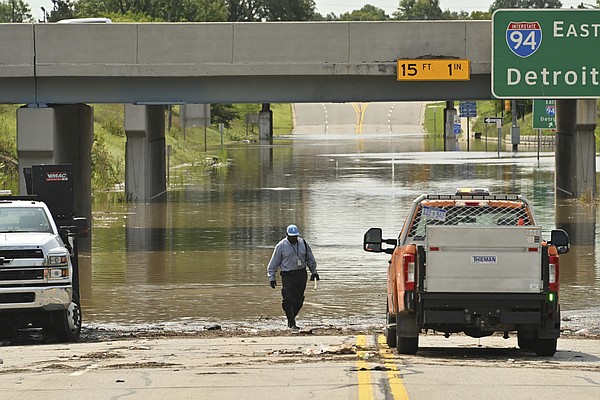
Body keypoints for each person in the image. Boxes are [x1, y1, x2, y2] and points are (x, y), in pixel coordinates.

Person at [267, 224, 319, 329]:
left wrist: (314, 272)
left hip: (301, 275)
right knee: (288, 299)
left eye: (295, 236)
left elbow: (310, 259)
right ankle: (291, 323)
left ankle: (291, 319)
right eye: (291, 236)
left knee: (299, 300)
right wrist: (271, 277)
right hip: (288, 276)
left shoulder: (303, 243)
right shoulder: (281, 246)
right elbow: (273, 263)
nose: (293, 238)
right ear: (287, 235)